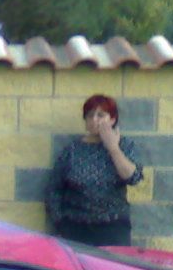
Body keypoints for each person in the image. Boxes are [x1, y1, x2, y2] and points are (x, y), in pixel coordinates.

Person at [45, 94, 144, 247]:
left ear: (112, 119)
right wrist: (60, 222)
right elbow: (54, 188)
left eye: (101, 115)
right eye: (90, 116)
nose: (95, 120)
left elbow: (133, 177)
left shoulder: (124, 145)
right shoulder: (73, 150)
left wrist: (113, 147)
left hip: (112, 228)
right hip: (76, 228)